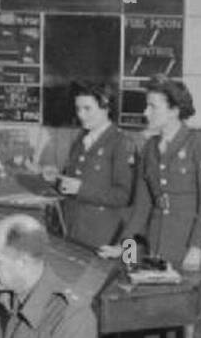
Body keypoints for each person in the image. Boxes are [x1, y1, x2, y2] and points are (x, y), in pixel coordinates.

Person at [100, 76, 201, 275]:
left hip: (189, 250)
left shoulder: (200, 143)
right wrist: (125, 248)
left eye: (152, 107)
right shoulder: (149, 148)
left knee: (183, 304)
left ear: (174, 111)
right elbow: (141, 207)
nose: (145, 112)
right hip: (157, 247)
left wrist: (196, 248)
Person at [47, 81, 138, 250]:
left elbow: (124, 196)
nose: (81, 115)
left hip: (102, 236)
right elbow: (73, 181)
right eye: (78, 109)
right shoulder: (81, 140)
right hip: (72, 230)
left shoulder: (121, 143)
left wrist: (81, 189)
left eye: (87, 109)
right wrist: (57, 178)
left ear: (106, 107)